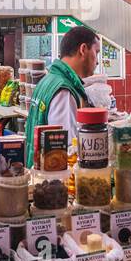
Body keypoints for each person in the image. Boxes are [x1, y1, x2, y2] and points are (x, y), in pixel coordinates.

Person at [24, 25, 99, 166]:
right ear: (83, 49)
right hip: (52, 180)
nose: (98, 61)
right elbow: (68, 150)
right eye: (97, 52)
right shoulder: (64, 91)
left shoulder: (48, 80)